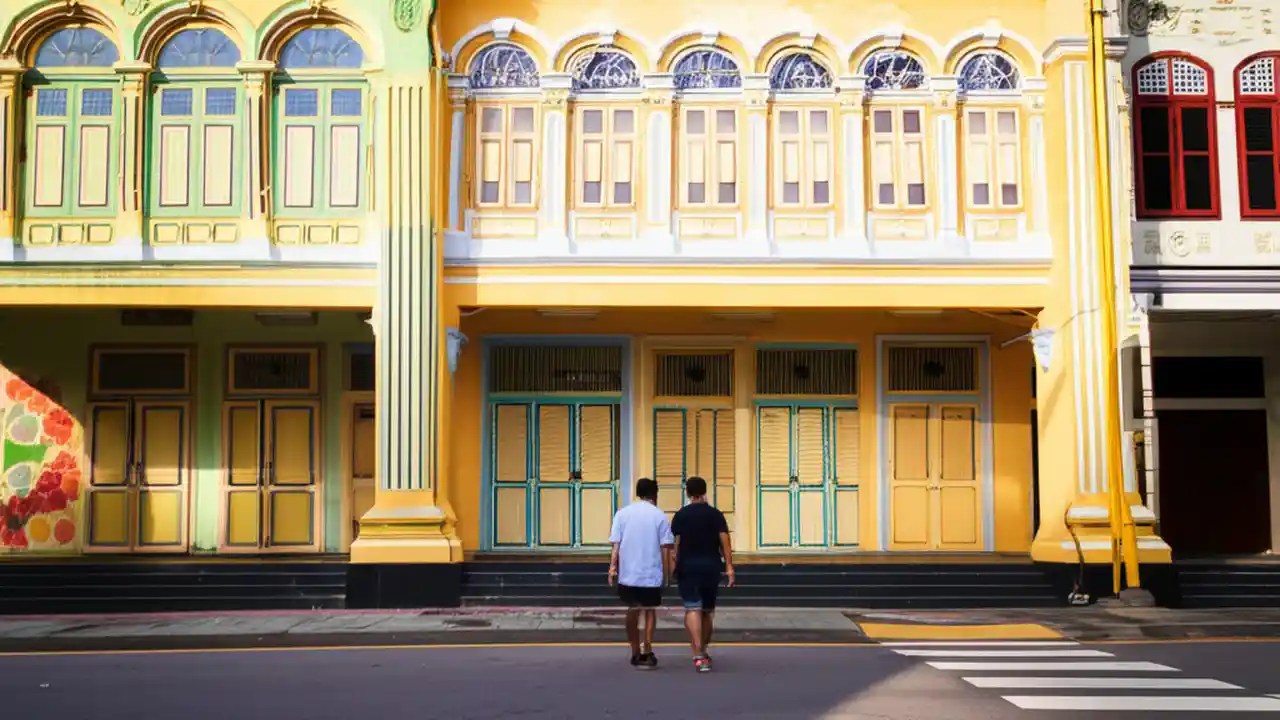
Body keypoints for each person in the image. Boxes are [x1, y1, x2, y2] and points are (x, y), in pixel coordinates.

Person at [670, 476, 735, 673]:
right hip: (711, 567)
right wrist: (730, 568)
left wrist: (674, 565)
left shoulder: (681, 515)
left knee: (692, 609)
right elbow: (725, 542)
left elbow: (675, 545)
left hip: (688, 567)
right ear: (705, 491)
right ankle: (704, 651)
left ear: (687, 493)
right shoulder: (715, 515)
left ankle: (698, 654)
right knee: (706, 611)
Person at [608, 477, 674, 670]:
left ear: (637, 492)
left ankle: (635, 649)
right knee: (650, 610)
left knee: (632, 609)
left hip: (628, 572)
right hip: (650, 573)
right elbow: (666, 547)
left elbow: (616, 545)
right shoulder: (659, 515)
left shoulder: (622, 514)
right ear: (654, 494)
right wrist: (668, 573)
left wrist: (612, 568)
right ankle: (647, 649)